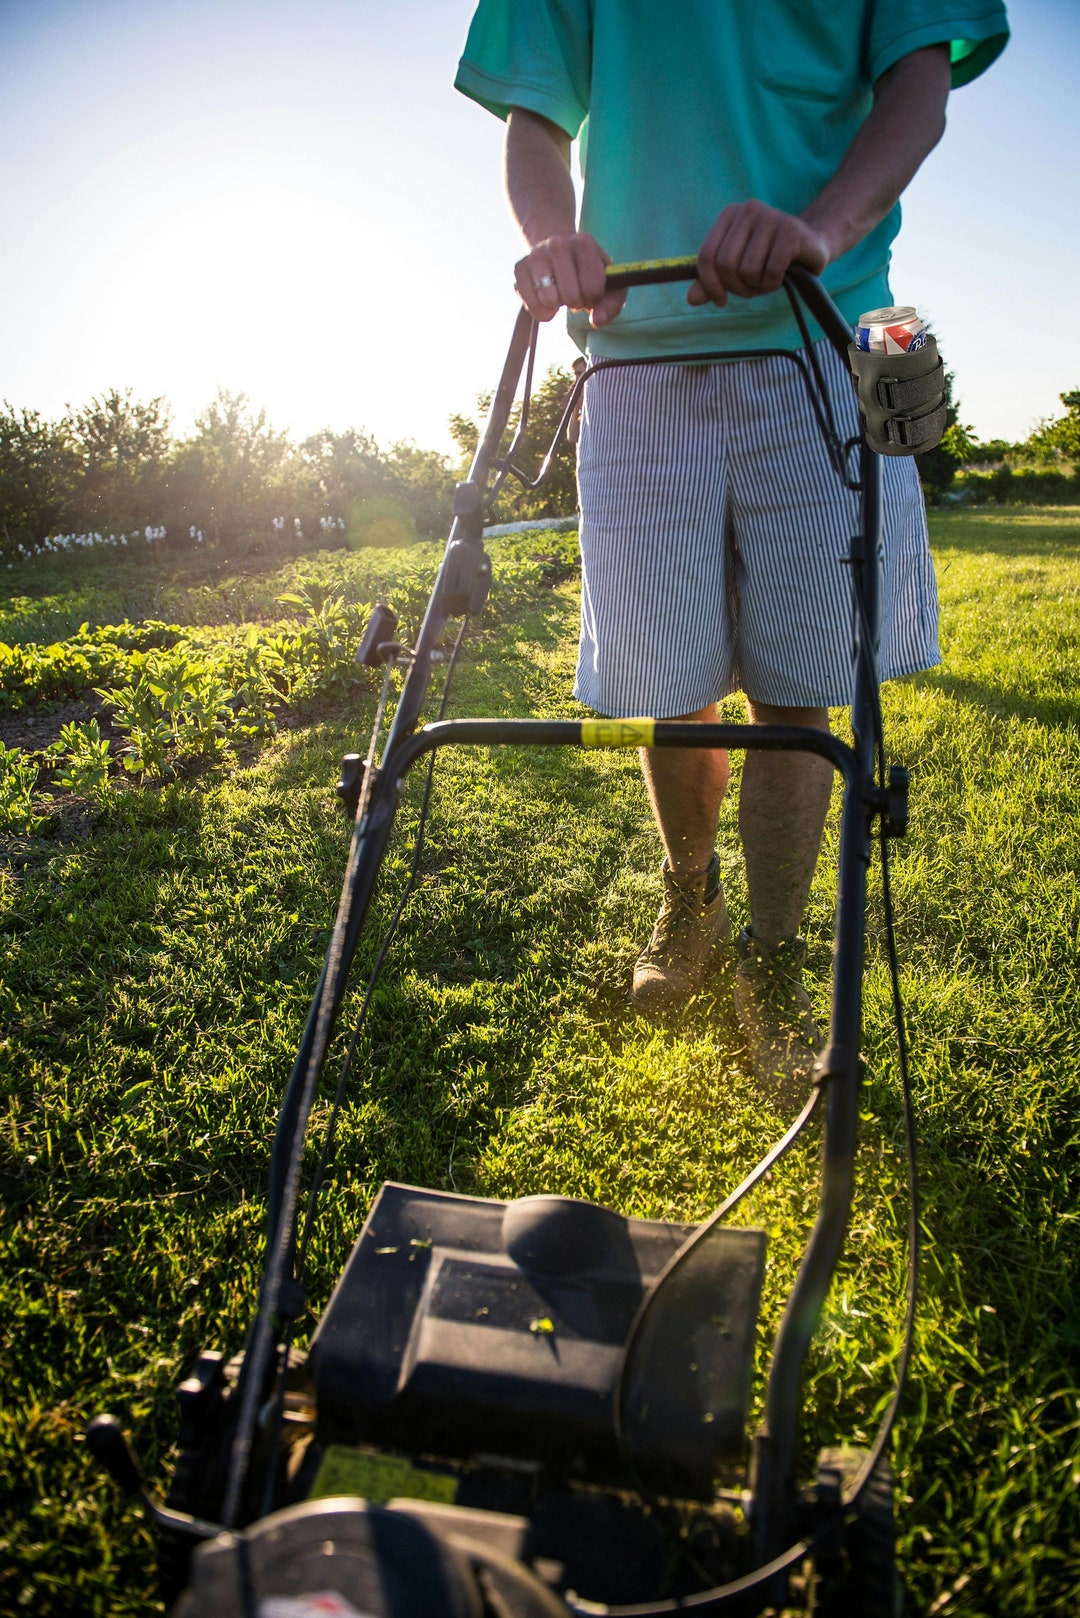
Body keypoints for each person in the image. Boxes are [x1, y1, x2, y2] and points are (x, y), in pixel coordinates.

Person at [455, 3, 1008, 1090]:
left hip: (825, 326)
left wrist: (821, 227)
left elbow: (919, 81)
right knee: (674, 683)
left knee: (800, 692)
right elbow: (533, 113)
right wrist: (549, 239)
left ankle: (778, 952)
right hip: (634, 354)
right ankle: (690, 892)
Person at [566, 354, 588, 447]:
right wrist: (575, 406)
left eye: (579, 373)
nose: (576, 379)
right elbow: (572, 437)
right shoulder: (579, 400)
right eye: (575, 374)